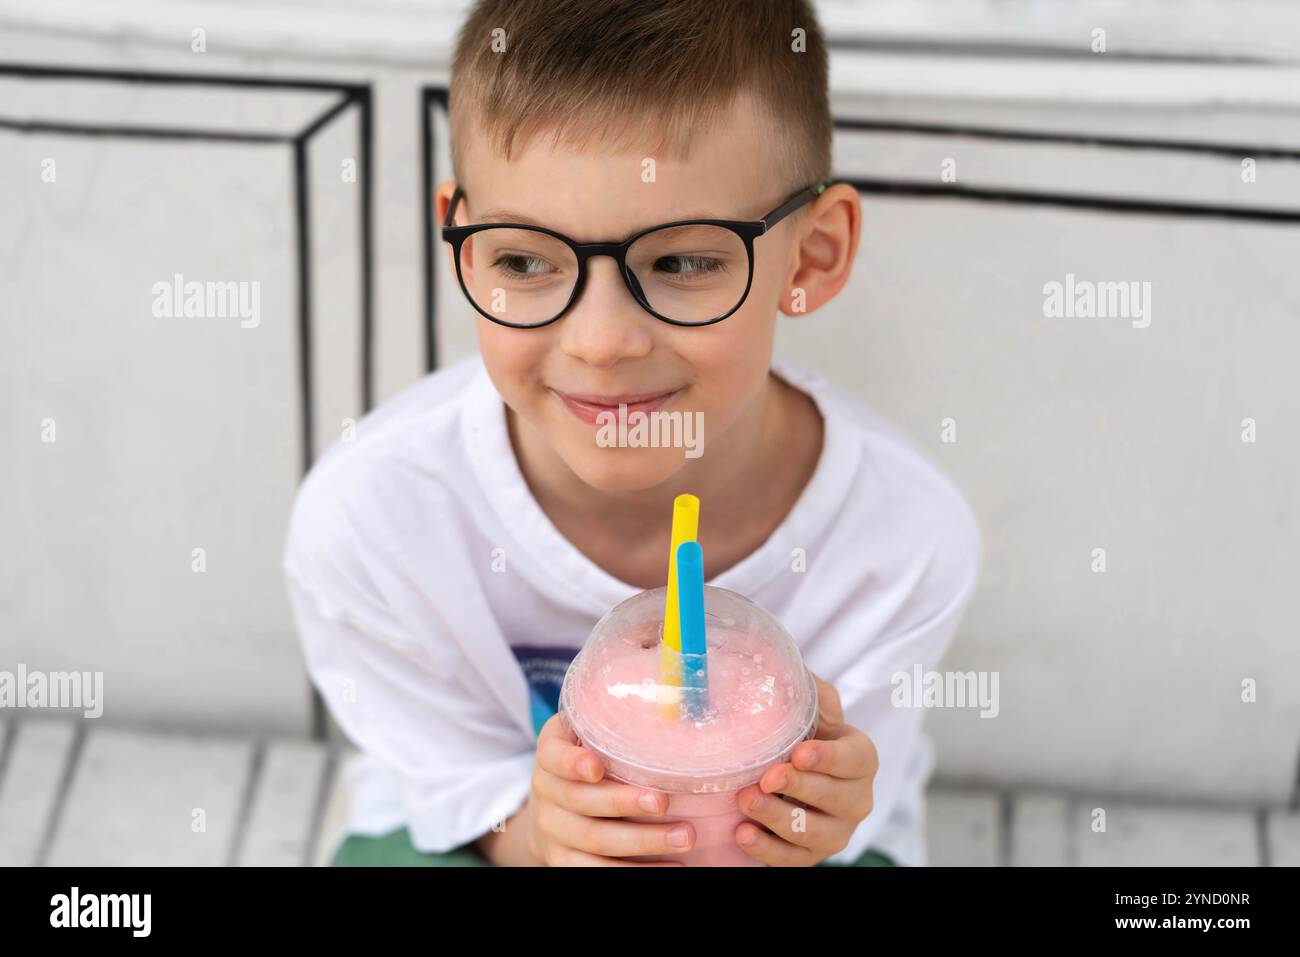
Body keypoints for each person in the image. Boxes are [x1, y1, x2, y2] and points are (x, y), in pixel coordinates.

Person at [283, 0, 982, 867]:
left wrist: (809, 809)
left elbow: (824, 826)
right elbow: (445, 783)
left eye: (683, 261)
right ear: (465, 248)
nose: (602, 342)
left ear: (810, 257)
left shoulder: (900, 539)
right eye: (525, 259)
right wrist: (542, 833)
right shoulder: (375, 517)